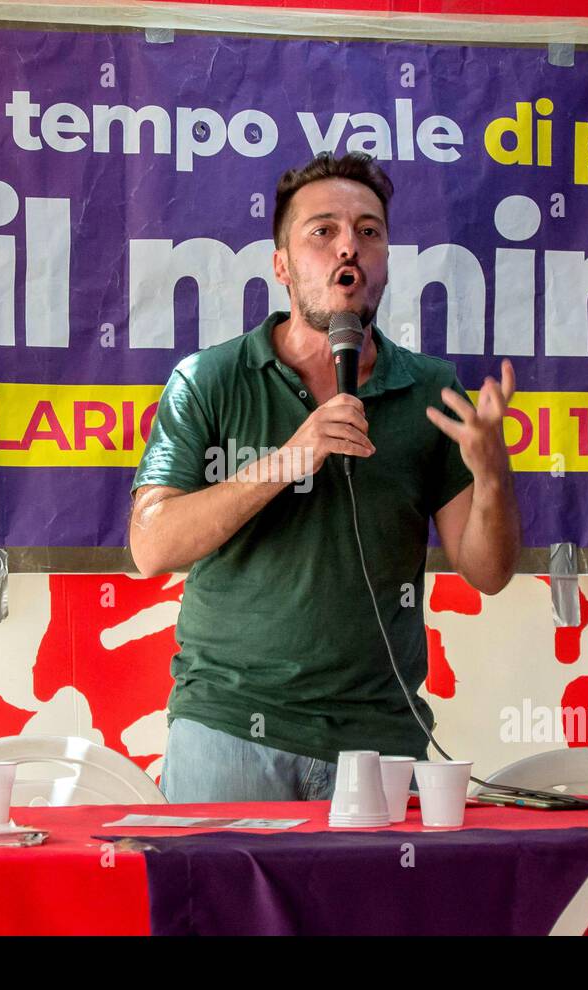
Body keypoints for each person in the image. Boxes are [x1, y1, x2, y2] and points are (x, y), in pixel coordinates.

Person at [129, 151, 520, 802]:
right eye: (323, 231)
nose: (350, 247)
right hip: (228, 732)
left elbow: (488, 569)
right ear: (281, 263)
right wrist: (289, 458)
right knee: (218, 909)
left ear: (387, 259)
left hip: (377, 743)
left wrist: (494, 476)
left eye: (369, 232)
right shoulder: (208, 379)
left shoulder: (432, 388)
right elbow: (152, 545)